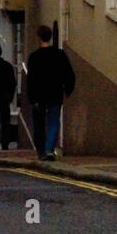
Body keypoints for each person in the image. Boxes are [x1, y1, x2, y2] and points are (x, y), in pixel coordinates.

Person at [27, 25, 75, 161]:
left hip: (39, 96)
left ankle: (41, 151)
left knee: (39, 124)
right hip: (55, 94)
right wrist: (68, 90)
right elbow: (69, 74)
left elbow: (31, 80)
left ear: (38, 37)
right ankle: (49, 149)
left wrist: (32, 98)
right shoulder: (59, 55)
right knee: (54, 122)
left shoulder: (34, 57)